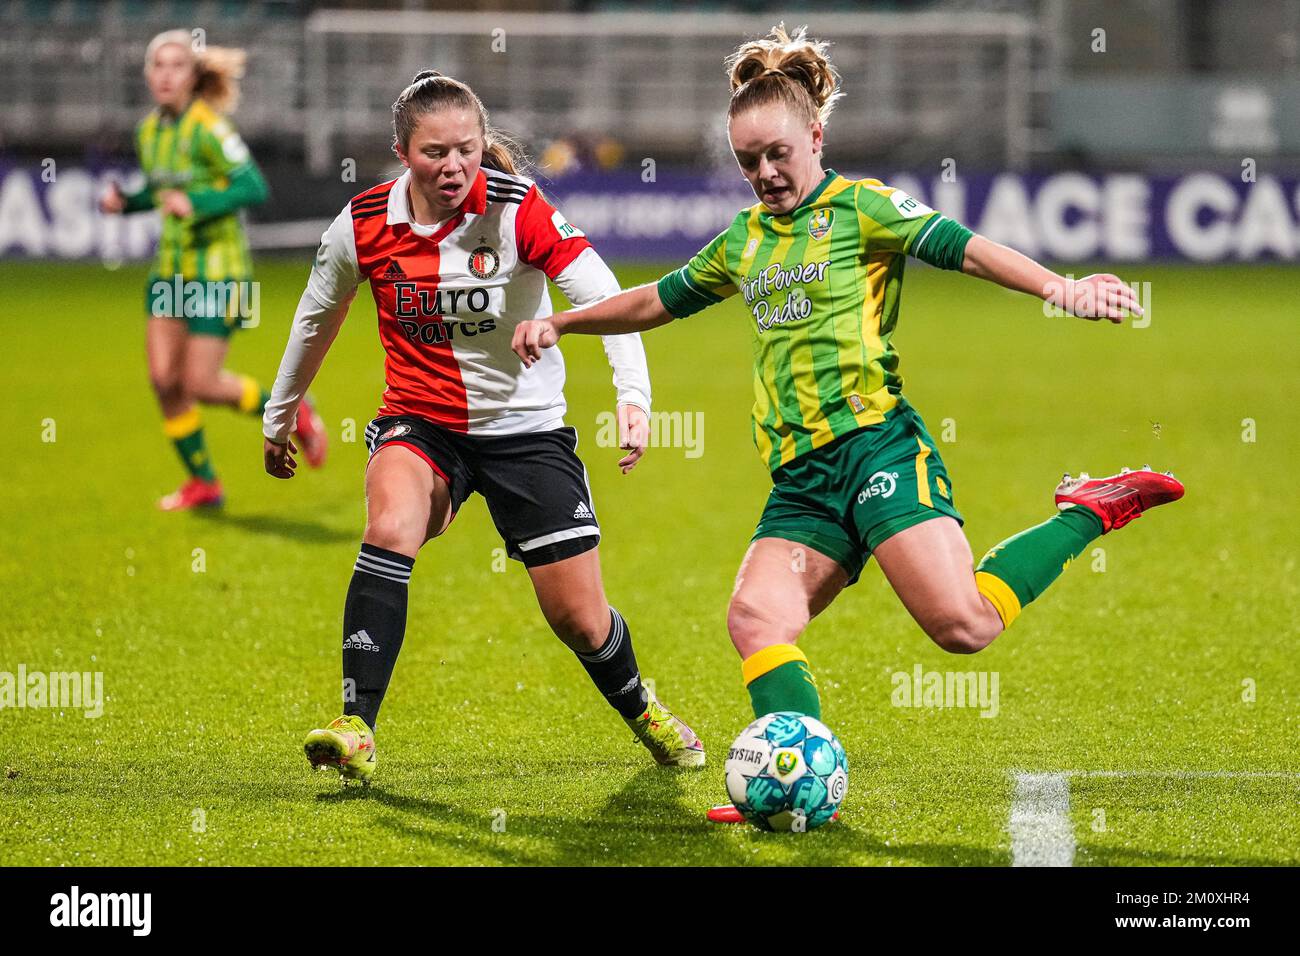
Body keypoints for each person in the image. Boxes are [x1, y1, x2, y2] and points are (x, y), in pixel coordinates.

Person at [511, 26, 1183, 817]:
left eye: (777, 154)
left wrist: (1060, 288)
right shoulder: (744, 241)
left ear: (815, 137)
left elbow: (966, 249)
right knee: (756, 617)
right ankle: (791, 782)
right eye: (748, 160)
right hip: (801, 483)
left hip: (876, 450)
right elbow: (658, 300)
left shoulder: (862, 207)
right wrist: (568, 321)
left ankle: (1085, 511)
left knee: (963, 627)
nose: (764, 173)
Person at [263, 71, 705, 785]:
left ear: (482, 142)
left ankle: (641, 707)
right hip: (420, 421)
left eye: (466, 149)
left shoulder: (518, 209)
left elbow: (602, 293)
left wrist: (634, 395)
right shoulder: (364, 222)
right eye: (435, 152)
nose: (454, 166)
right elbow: (318, 315)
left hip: (526, 431)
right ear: (403, 151)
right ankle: (356, 725)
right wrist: (279, 417)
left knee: (579, 620)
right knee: (392, 524)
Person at [100, 29, 327, 511]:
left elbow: (252, 187)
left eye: (175, 65)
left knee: (200, 383)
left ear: (193, 75)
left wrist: (199, 203)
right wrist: (128, 203)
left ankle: (296, 415)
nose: (165, 74)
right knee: (164, 380)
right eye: (157, 65)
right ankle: (204, 482)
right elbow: (161, 193)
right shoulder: (148, 133)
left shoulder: (209, 127)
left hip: (222, 274)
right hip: (170, 271)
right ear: (147, 75)